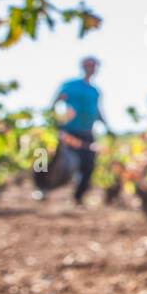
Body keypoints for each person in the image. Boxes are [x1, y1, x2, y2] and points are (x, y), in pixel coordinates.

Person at [49, 56, 109, 205]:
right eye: (88, 65)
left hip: (86, 132)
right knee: (49, 158)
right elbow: (56, 101)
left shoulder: (95, 91)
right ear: (83, 67)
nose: (91, 69)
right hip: (68, 130)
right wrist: (53, 120)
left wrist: (107, 126)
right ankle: (41, 186)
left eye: (94, 66)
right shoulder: (70, 85)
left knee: (89, 165)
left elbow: (97, 111)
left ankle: (78, 197)